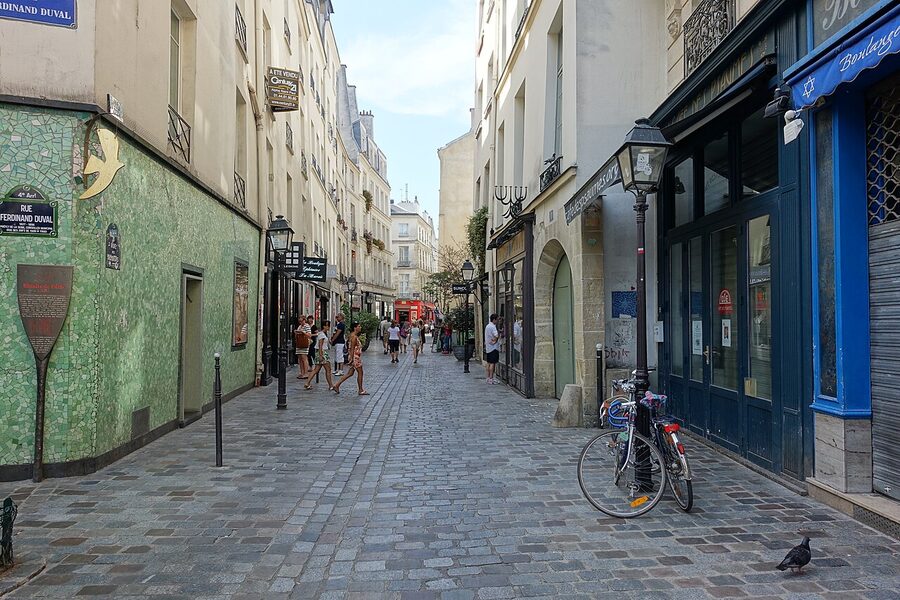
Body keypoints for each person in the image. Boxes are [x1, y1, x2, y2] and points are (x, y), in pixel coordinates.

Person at [333, 322, 368, 396]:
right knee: (360, 372)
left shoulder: (352, 336)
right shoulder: (354, 337)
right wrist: (351, 358)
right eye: (359, 326)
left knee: (350, 373)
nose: (360, 327)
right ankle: (360, 389)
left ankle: (337, 385)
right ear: (355, 328)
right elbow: (352, 348)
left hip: (354, 356)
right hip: (355, 357)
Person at [305, 320, 335, 390]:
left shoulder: (321, 333)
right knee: (328, 369)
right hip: (322, 353)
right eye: (327, 325)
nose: (328, 327)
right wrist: (321, 355)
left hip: (319, 352)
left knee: (316, 369)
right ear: (324, 326)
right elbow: (320, 345)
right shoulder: (321, 334)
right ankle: (331, 385)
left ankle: (307, 383)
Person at [485, 313, 501, 384]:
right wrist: (495, 340)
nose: (497, 321)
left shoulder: (487, 326)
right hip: (493, 348)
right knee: (492, 363)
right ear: (494, 319)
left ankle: (488, 377)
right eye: (497, 320)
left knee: (488, 363)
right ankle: (491, 378)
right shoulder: (493, 327)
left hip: (488, 348)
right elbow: (496, 335)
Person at [331, 313, 346, 377]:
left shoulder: (341, 325)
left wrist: (333, 340)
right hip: (338, 342)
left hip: (340, 342)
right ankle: (337, 369)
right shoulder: (338, 324)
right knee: (337, 356)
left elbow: (337, 333)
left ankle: (341, 370)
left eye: (338, 317)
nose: (337, 318)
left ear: (341, 317)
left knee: (340, 356)